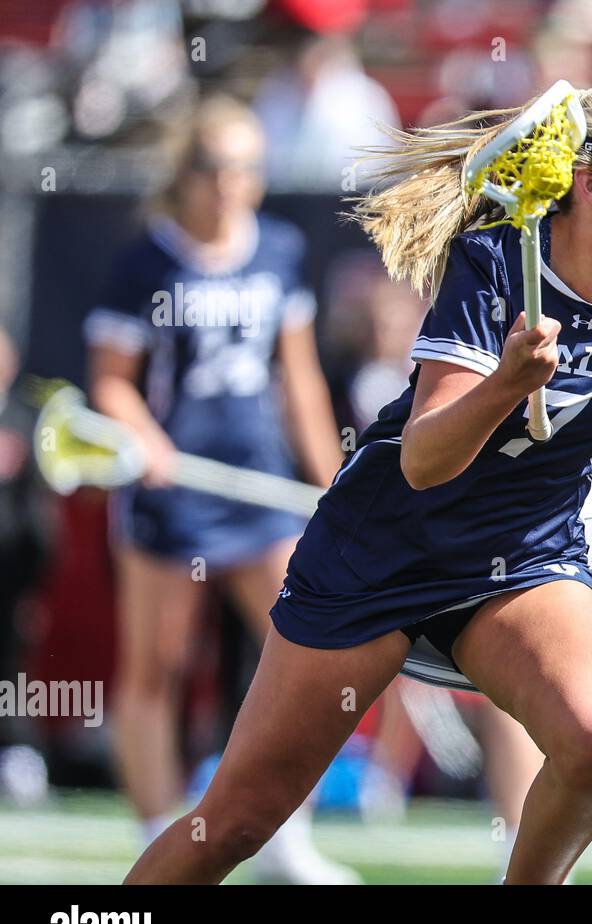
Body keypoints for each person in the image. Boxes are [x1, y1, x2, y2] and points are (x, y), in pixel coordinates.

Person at [124, 81, 592, 885]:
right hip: (379, 556)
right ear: (591, 182)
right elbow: (424, 460)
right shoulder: (494, 264)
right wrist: (504, 383)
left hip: (522, 559)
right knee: (234, 823)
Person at [85, 94, 351, 883]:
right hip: (173, 493)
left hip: (259, 486)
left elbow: (297, 379)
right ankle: (154, 832)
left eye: (247, 166)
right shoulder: (146, 262)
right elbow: (110, 382)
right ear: (190, 173)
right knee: (157, 666)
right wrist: (145, 440)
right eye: (220, 167)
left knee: (304, 656)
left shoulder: (277, 248)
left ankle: (285, 836)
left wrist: (328, 477)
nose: (235, 183)